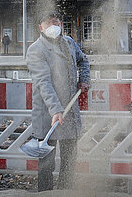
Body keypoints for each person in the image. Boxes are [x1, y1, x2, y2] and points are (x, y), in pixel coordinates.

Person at [25, 12, 90, 191]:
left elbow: (83, 60)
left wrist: (84, 79)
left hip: (69, 113)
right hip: (48, 116)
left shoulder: (69, 43)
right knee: (47, 165)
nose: (53, 26)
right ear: (41, 28)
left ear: (61, 24)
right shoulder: (36, 50)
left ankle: (65, 192)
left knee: (69, 162)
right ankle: (45, 193)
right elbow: (43, 82)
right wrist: (55, 110)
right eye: (48, 23)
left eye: (56, 22)